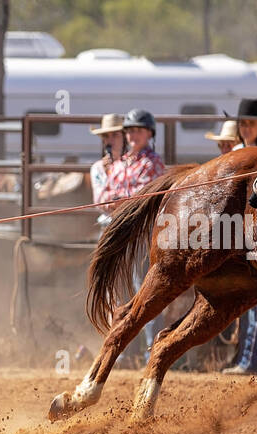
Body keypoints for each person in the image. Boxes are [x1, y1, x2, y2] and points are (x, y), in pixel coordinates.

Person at [102, 108, 167, 361]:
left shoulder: (153, 163)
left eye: (138, 130)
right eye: (129, 130)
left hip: (141, 235)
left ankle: (154, 350)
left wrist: (120, 200)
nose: (133, 135)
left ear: (149, 133)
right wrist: (114, 201)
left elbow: (147, 198)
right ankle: (121, 351)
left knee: (145, 290)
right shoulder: (119, 165)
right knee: (119, 292)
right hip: (118, 232)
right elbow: (104, 196)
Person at [222, 98, 257, 375]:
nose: (245, 128)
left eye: (250, 123)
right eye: (242, 123)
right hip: (238, 231)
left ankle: (253, 361)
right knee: (246, 298)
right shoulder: (247, 153)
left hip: (256, 230)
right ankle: (245, 358)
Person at [89, 113, 125, 228]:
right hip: (107, 222)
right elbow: (99, 201)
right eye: (106, 136)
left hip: (130, 221)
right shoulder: (98, 168)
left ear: (124, 138)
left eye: (115, 135)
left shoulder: (134, 166)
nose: (110, 140)